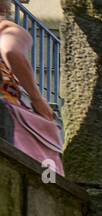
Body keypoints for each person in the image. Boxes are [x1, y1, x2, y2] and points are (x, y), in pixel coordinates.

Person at [0, 1, 62, 174]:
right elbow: (12, 51)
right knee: (45, 170)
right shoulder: (5, 27)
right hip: (6, 113)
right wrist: (37, 99)